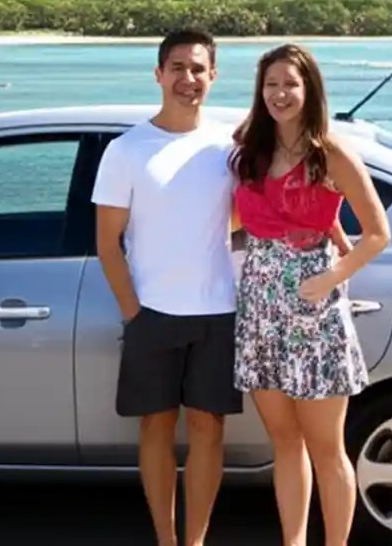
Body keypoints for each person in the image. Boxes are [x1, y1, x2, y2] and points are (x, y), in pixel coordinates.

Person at [228, 43, 391, 546]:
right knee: (284, 443)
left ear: (309, 89)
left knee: (327, 447)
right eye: (271, 84)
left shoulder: (331, 152)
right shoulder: (249, 148)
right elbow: (237, 220)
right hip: (260, 309)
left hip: (313, 312)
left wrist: (330, 277)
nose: (280, 94)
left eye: (290, 84)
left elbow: (378, 233)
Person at [91, 28, 241, 546]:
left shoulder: (230, 149)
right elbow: (108, 243)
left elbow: (247, 220)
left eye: (198, 69)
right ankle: (165, 539)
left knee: (209, 431)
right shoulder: (126, 150)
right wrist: (135, 312)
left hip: (218, 313)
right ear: (159, 75)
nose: (188, 78)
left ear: (213, 77)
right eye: (177, 68)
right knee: (155, 430)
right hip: (152, 313)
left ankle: (194, 541)